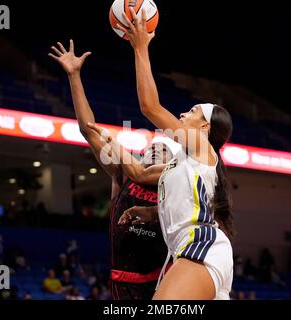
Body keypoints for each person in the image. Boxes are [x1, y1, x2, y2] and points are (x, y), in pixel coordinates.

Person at [88, 8, 235, 300]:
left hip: (199, 247)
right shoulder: (184, 162)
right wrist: (153, 212)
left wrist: (140, 48)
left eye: (192, 111)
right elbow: (139, 173)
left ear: (205, 126)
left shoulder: (202, 147)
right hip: (190, 251)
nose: (183, 113)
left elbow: (150, 107)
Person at [49, 40, 178, 300]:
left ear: (172, 161)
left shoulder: (176, 186)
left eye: (162, 149)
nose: (154, 150)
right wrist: (74, 76)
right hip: (120, 282)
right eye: (151, 147)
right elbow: (88, 129)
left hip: (162, 282)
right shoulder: (123, 174)